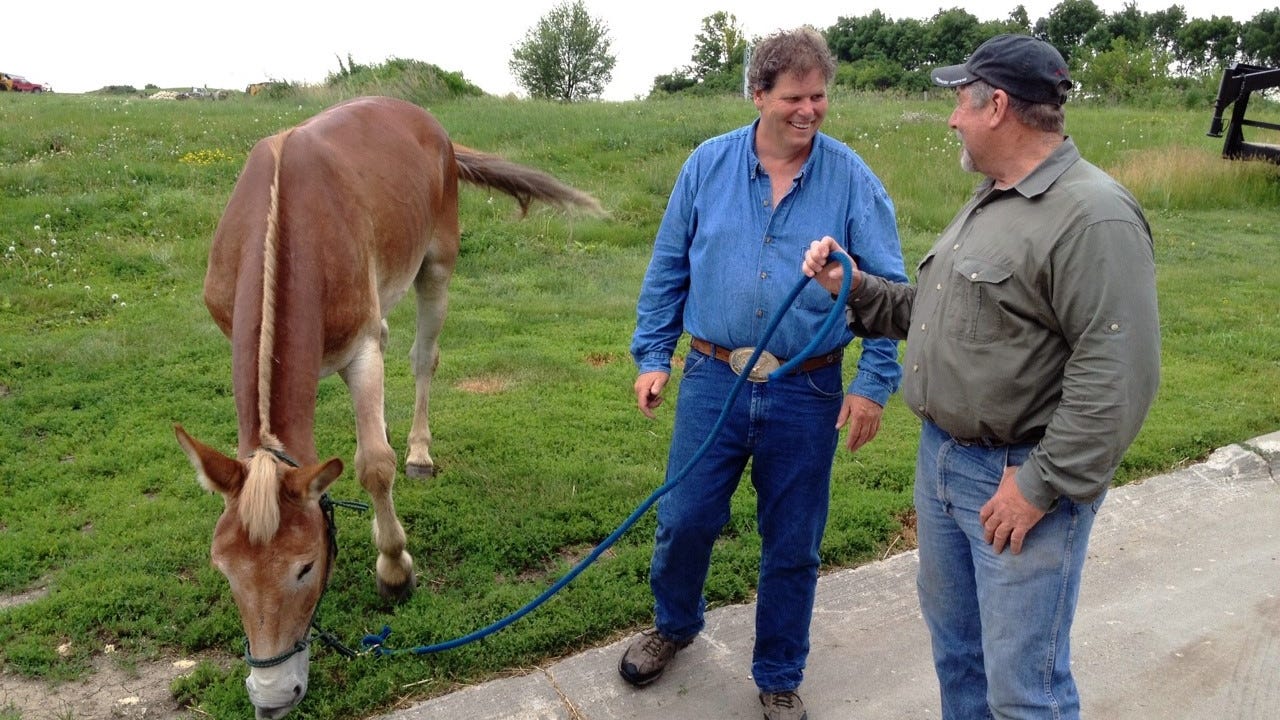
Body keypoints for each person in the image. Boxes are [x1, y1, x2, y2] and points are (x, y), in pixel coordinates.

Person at [801, 34, 1161, 720]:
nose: (951, 119)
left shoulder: (1093, 215)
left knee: (1024, 690)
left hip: (1017, 480)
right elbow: (931, 314)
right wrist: (846, 284)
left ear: (996, 105)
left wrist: (1039, 486)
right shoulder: (992, 198)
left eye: (959, 103)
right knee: (959, 658)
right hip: (944, 464)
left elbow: (1117, 377)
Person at [622, 26, 908, 720]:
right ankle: (674, 625)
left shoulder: (851, 179)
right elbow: (668, 268)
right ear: (757, 94)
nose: (808, 109)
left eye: (818, 96)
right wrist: (654, 357)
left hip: (808, 388)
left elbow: (892, 292)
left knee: (793, 541)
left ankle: (779, 672)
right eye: (792, 97)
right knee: (686, 519)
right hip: (713, 377)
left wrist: (872, 384)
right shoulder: (706, 167)